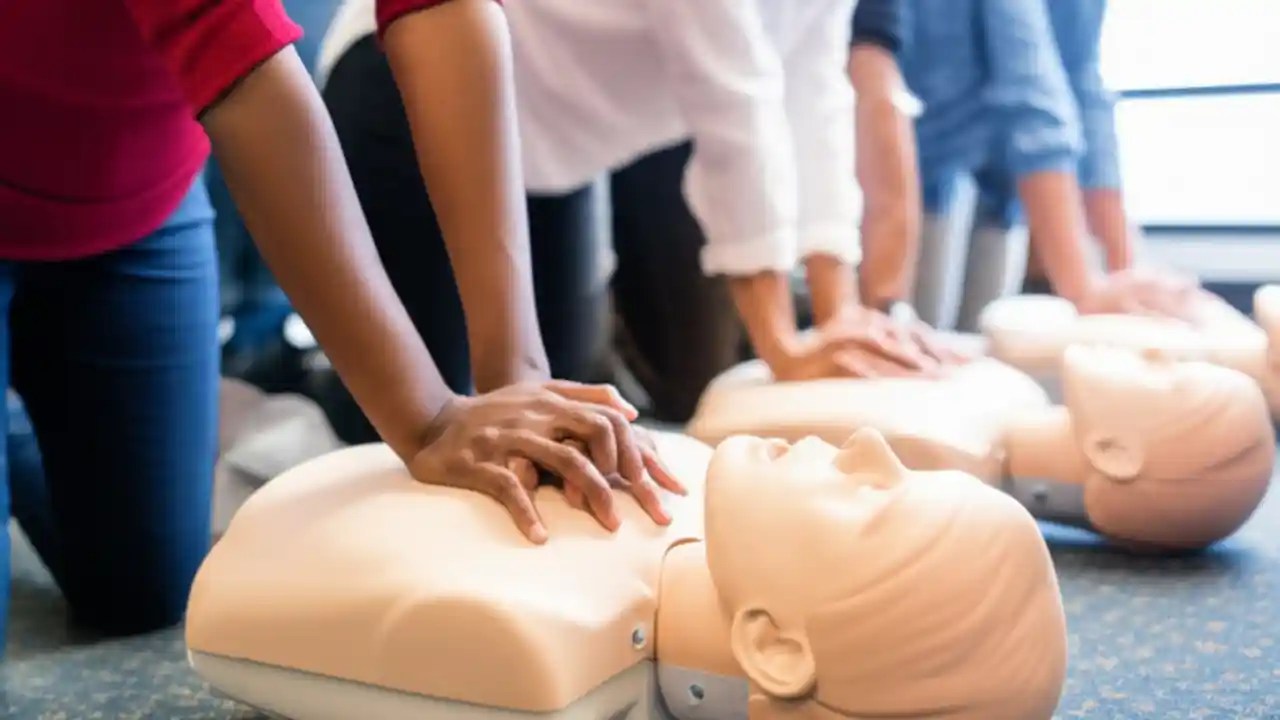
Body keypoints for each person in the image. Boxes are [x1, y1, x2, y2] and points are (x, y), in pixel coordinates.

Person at [0, 0, 677, 650]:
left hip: (133, 203)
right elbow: (229, 39)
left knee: (142, 594)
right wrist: (429, 417)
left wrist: (517, 375)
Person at [319, 0, 952, 425]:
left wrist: (840, 315)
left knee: (553, 405)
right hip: (408, 95)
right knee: (411, 415)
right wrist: (784, 346)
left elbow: (814, 86)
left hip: (553, 148)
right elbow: (733, 92)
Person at [893, 0, 1200, 332]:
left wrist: (1127, 268)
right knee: (918, 351)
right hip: (920, 166)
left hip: (1003, 190)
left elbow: (1082, 75)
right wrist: (1084, 289)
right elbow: (1029, 89)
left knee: (980, 356)